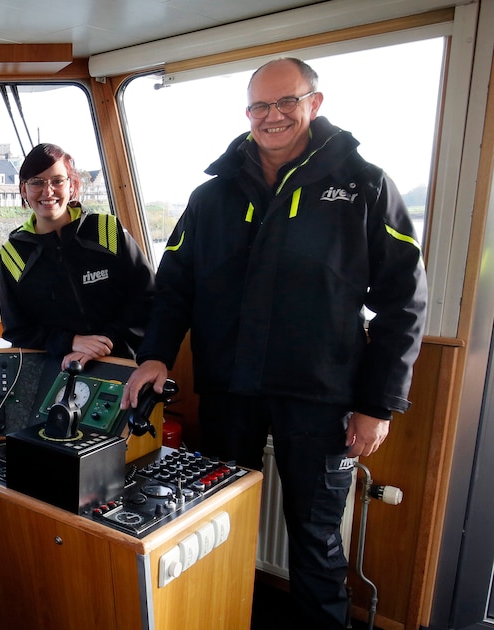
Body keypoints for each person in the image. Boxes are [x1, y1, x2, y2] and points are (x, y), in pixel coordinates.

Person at [121, 58, 427, 628]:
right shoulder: (210, 198)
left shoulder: (364, 186)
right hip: (229, 390)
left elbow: (403, 302)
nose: (273, 116)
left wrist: (375, 405)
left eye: (287, 102)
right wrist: (156, 354)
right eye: (260, 106)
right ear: (247, 114)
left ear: (315, 102)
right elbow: (174, 289)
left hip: (321, 396)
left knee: (315, 540)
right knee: (215, 525)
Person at [0, 142, 155, 406]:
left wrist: (106, 341)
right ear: (23, 189)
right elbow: (18, 330)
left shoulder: (107, 231)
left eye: (57, 181)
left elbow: (147, 297)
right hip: (58, 373)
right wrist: (71, 341)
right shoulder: (13, 254)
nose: (48, 191)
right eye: (37, 182)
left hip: (124, 366)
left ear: (72, 186)